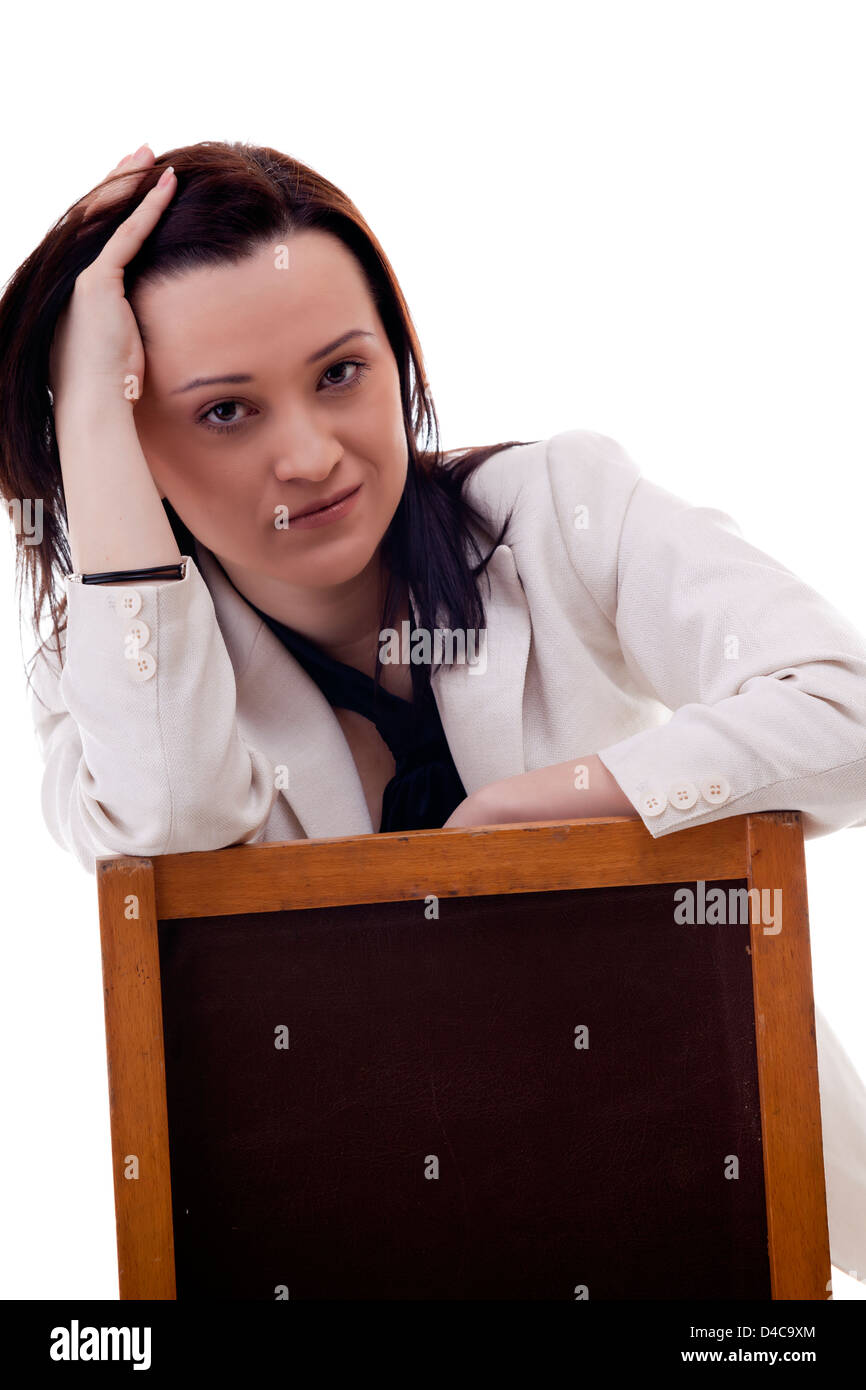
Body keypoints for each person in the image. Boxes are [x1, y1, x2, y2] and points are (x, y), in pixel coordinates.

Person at [2, 140, 865, 1286]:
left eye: (340, 373)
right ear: (127, 439)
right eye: (222, 413)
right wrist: (84, 427)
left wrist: (548, 814)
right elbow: (169, 825)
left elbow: (842, 707)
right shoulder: (104, 672)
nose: (309, 455)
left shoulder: (557, 507)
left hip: (694, 1202)